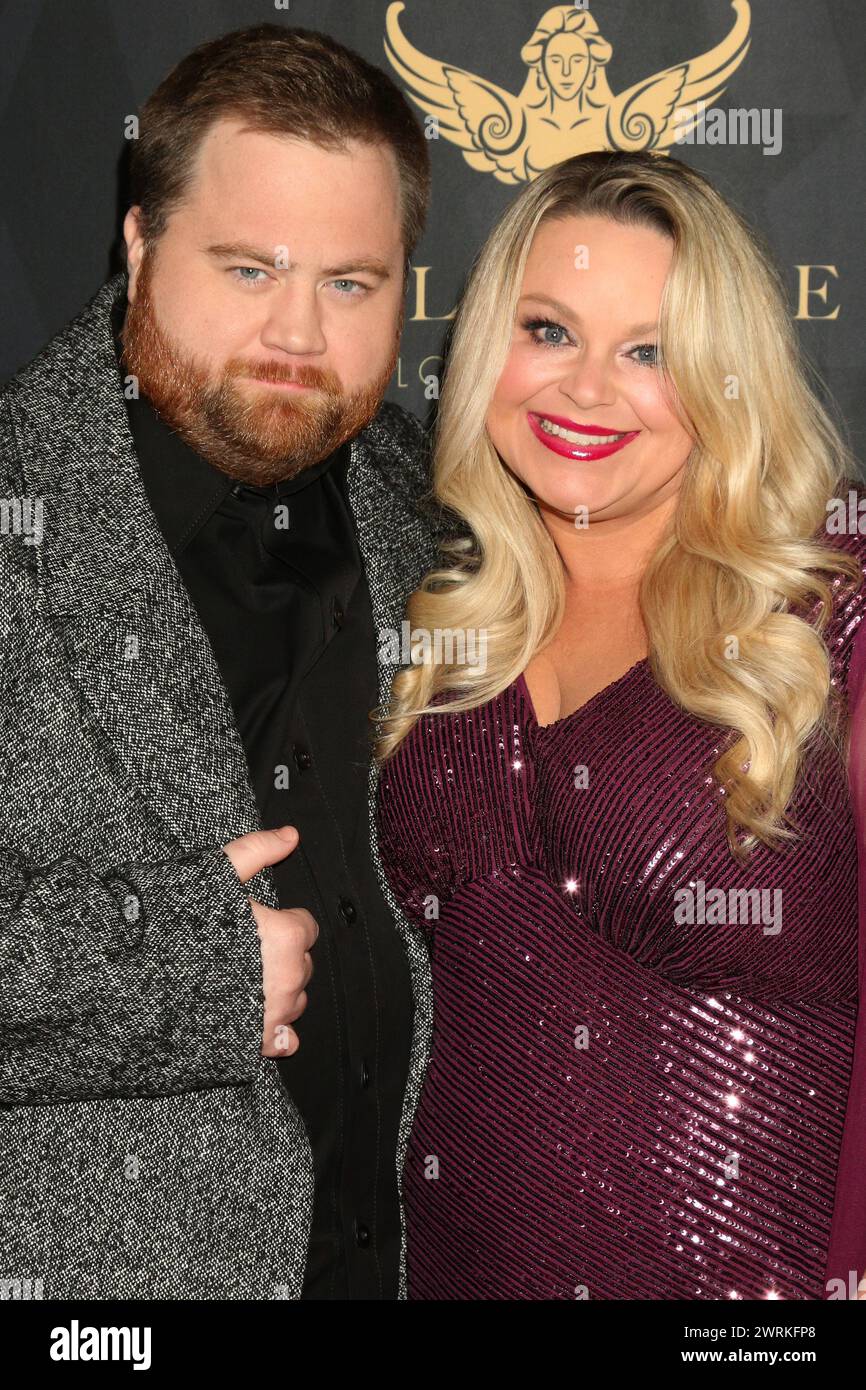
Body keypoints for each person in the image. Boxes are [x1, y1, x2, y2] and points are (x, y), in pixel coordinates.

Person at [0, 22, 448, 1300]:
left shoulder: (440, 508)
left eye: (350, 284)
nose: (297, 332)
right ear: (138, 245)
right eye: (249, 268)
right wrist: (179, 960)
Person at [374, 149, 866, 1299]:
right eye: (547, 331)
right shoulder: (430, 631)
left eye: (647, 352)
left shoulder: (826, 621)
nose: (583, 389)